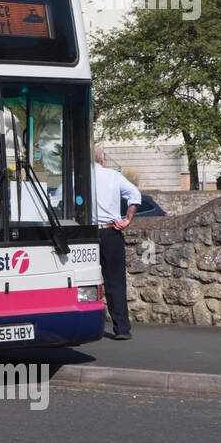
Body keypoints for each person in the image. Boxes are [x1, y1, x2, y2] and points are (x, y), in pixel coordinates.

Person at [92, 145, 140, 340]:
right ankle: (121, 328)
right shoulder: (113, 176)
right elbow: (134, 195)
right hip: (111, 231)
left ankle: (89, 323)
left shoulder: (75, 177)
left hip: (86, 234)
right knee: (115, 282)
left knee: (86, 282)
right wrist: (127, 219)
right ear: (103, 160)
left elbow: (58, 200)